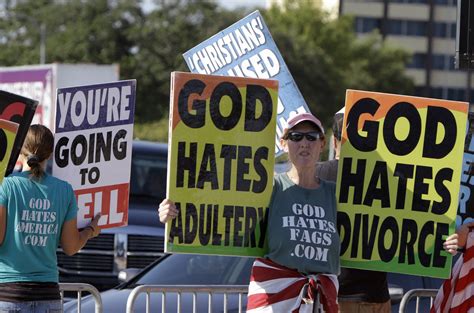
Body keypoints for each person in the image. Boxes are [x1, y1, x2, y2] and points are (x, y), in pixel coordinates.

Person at [159, 112, 341, 312]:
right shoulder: (268, 188)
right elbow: (217, 211)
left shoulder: (335, 194)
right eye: (296, 136)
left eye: (311, 137)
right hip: (274, 300)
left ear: (322, 144)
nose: (304, 143)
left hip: (320, 303)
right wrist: (174, 213)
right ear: (283, 143)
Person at [0, 124, 101, 313]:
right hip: (48, 297)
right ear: (51, 154)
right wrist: (90, 231)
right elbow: (71, 247)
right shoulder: (64, 190)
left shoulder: (6, 186)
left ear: (20, 149)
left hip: (9, 295)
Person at [316, 111, 391, 313]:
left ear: (334, 140)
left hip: (334, 296)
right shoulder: (389, 179)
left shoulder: (317, 175)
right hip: (377, 297)